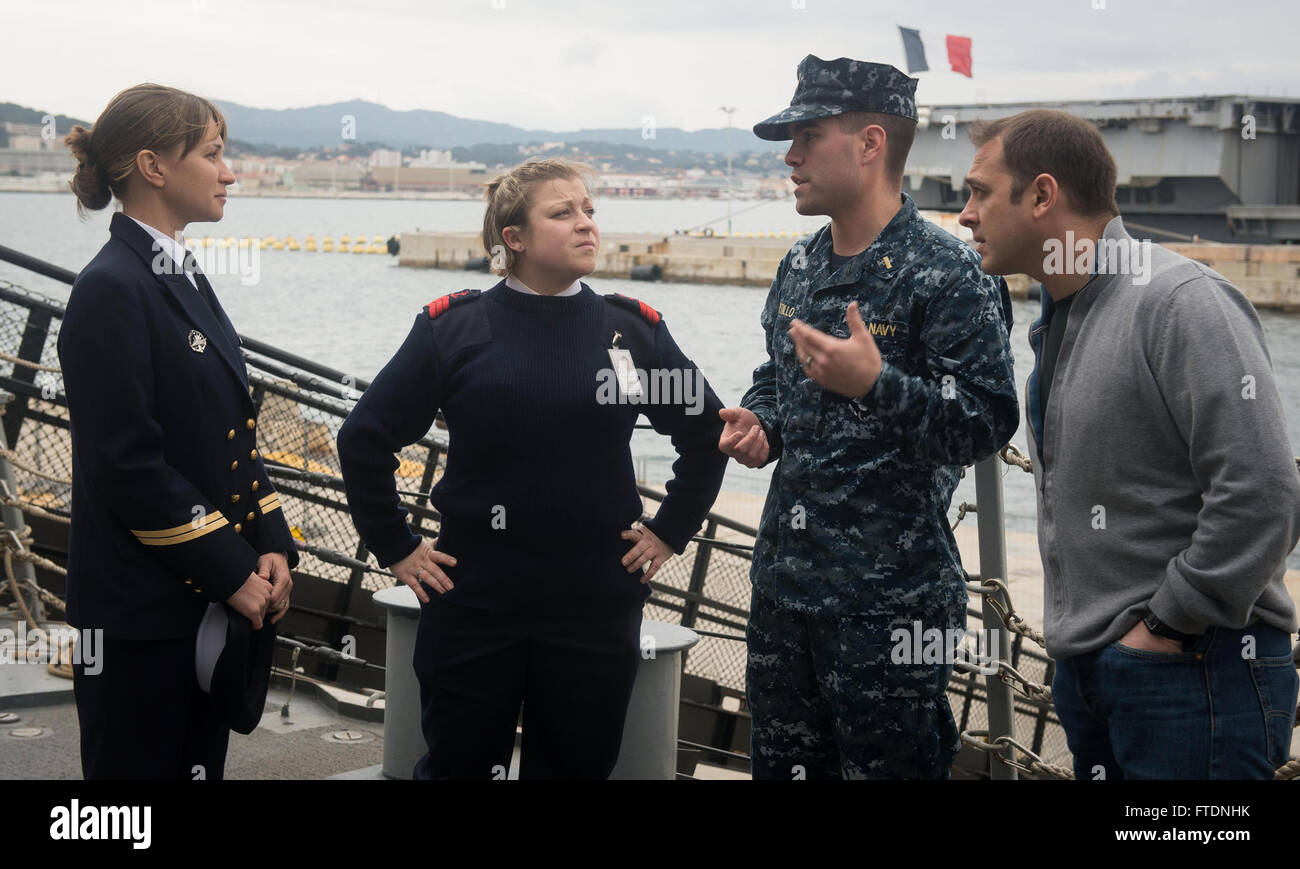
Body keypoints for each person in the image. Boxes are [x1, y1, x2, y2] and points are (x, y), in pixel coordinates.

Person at [337, 158, 727, 779]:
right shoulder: (453, 329)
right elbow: (363, 440)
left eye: (590, 211)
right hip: (473, 599)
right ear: (512, 239)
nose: (586, 225)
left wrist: (670, 528)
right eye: (563, 212)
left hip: (594, 603)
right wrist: (396, 546)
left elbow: (707, 435)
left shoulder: (632, 334)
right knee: (458, 768)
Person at [959, 109, 1300, 780]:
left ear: (1041, 195)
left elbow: (1266, 492)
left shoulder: (1179, 300)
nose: (965, 213)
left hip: (1196, 673)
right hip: (1105, 674)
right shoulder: (1062, 314)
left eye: (979, 191)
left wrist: (1165, 627)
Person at [718, 55, 1018, 780]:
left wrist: (879, 384)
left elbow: (985, 422)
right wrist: (762, 423)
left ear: (870, 144)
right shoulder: (799, 264)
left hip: (889, 610)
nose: (789, 156)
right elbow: (778, 376)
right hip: (786, 593)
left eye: (807, 136)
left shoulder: (950, 276)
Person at [58, 83, 297, 779]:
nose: (230, 172)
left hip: (198, 601)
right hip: (140, 616)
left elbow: (230, 436)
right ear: (153, 167)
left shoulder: (179, 274)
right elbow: (128, 465)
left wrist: (272, 542)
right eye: (215, 154)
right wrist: (231, 569)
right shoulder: (111, 288)